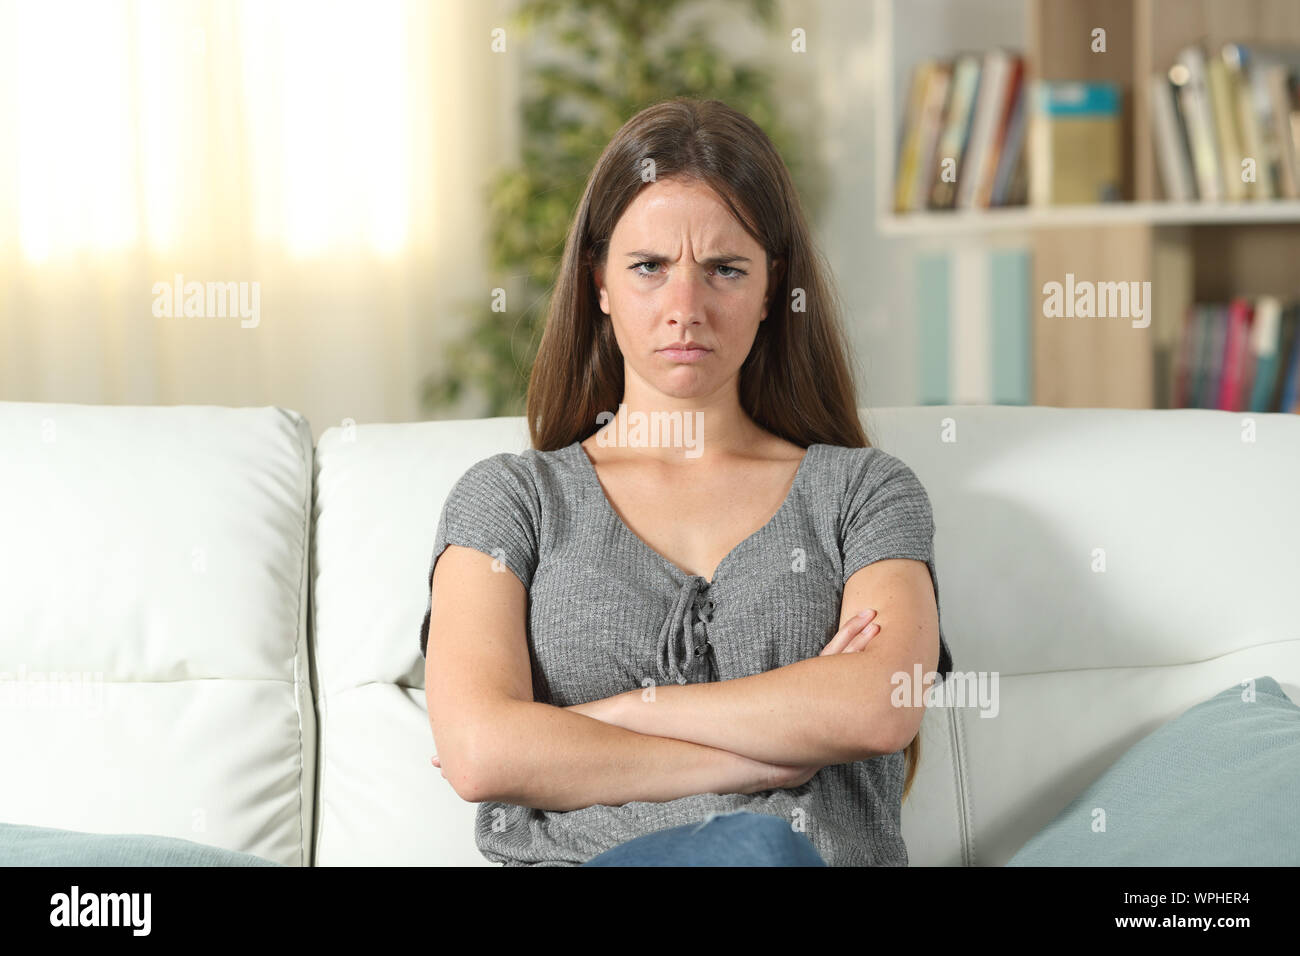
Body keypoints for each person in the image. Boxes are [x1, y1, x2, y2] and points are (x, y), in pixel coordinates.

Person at [420, 97, 954, 866]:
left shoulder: (865, 492)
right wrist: (769, 753)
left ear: (773, 289)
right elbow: (479, 751)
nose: (685, 309)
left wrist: (621, 714)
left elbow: (881, 704)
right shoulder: (511, 500)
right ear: (598, 283)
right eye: (649, 268)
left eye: (725, 270)